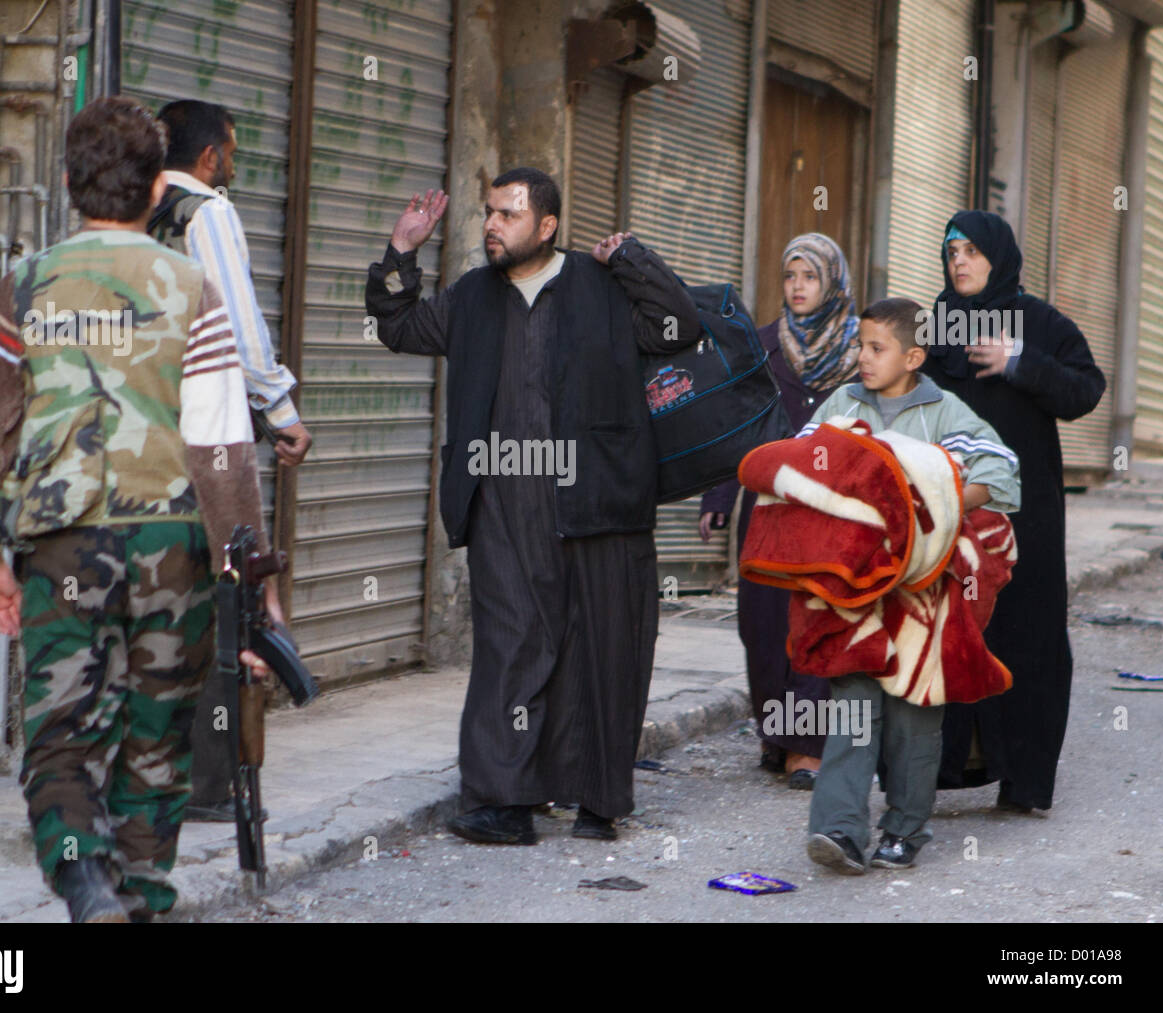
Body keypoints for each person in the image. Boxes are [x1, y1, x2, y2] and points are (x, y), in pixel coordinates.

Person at [0, 96, 276, 922]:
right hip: (174, 543)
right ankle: (144, 897)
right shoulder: (192, 287)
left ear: (67, 183)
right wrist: (254, 576)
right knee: (156, 735)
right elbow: (221, 447)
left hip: (62, 546)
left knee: (62, 734)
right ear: (154, 193)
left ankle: (84, 878)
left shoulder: (22, 287)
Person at [365, 168, 699, 844]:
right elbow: (397, 326)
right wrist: (403, 251)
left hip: (599, 496)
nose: (491, 225)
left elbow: (678, 326)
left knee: (603, 647)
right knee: (510, 646)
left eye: (508, 214)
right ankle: (502, 801)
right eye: (488, 212)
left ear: (546, 226)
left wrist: (631, 258)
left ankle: (598, 800)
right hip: (503, 502)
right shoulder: (471, 298)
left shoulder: (600, 286)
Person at [799, 297, 1020, 873]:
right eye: (860, 347)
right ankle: (839, 831)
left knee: (914, 714)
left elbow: (1000, 473)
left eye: (877, 348)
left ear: (913, 356)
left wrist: (928, 503)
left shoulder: (946, 413)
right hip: (854, 593)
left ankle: (904, 830)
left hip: (924, 598)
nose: (863, 358)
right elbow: (801, 464)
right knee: (851, 707)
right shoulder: (843, 404)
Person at [151, 98, 310, 822]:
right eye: (234, 152)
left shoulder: (131, 218)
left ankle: (152, 774)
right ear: (212, 156)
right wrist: (280, 409)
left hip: (140, 440)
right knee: (224, 598)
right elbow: (240, 324)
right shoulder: (205, 214)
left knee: (160, 603)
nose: (235, 167)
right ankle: (209, 786)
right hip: (207, 437)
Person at [922, 211, 1105, 813]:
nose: (961, 263)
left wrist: (1022, 363)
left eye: (972, 252)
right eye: (952, 253)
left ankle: (1024, 781)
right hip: (949, 511)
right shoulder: (934, 323)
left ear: (998, 256)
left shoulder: (1039, 322)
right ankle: (939, 770)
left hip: (1025, 514)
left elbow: (1086, 389)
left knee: (1025, 634)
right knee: (947, 629)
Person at [699, 233, 860, 789]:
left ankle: (807, 750)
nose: (797, 287)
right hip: (767, 510)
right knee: (762, 627)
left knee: (815, 622)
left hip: (833, 512)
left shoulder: (861, 351)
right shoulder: (759, 345)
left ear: (832, 283)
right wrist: (719, 498)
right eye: (790, 276)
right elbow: (734, 424)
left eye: (809, 277)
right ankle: (777, 732)